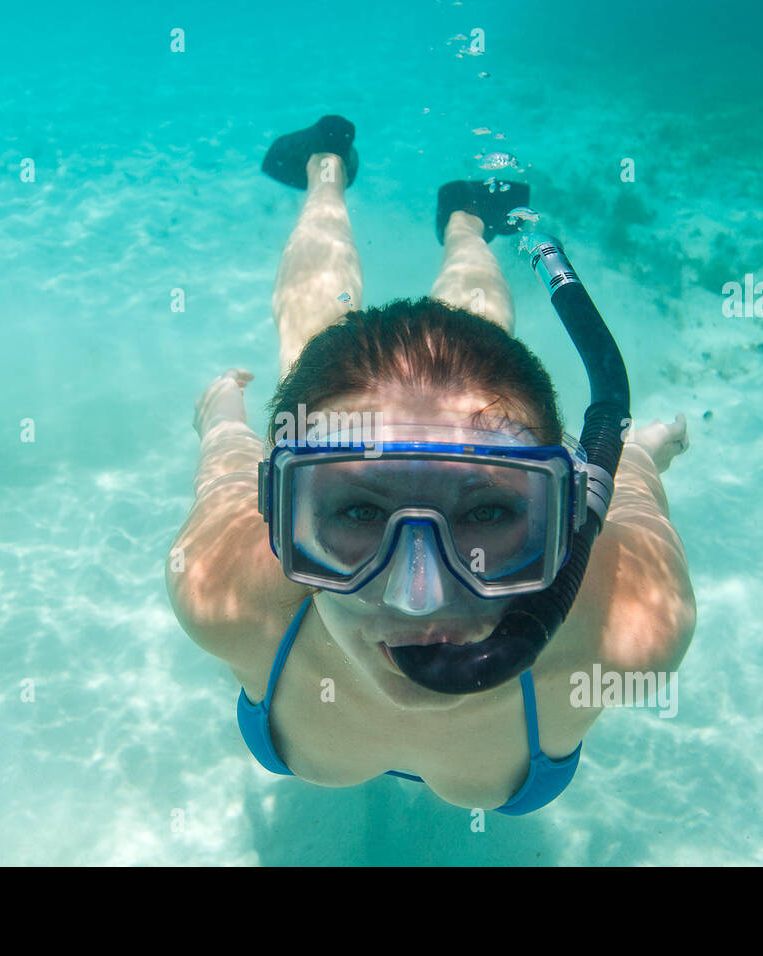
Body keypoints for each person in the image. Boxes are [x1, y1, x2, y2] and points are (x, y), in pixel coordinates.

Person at [166, 115, 696, 814]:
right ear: (279, 516)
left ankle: (467, 221)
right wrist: (223, 414)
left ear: (568, 511)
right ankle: (326, 166)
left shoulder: (634, 631)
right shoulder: (221, 594)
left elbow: (619, 490)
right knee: (312, 348)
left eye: (488, 511)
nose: (419, 597)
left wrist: (639, 461)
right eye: (357, 510)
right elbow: (230, 471)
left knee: (449, 386)